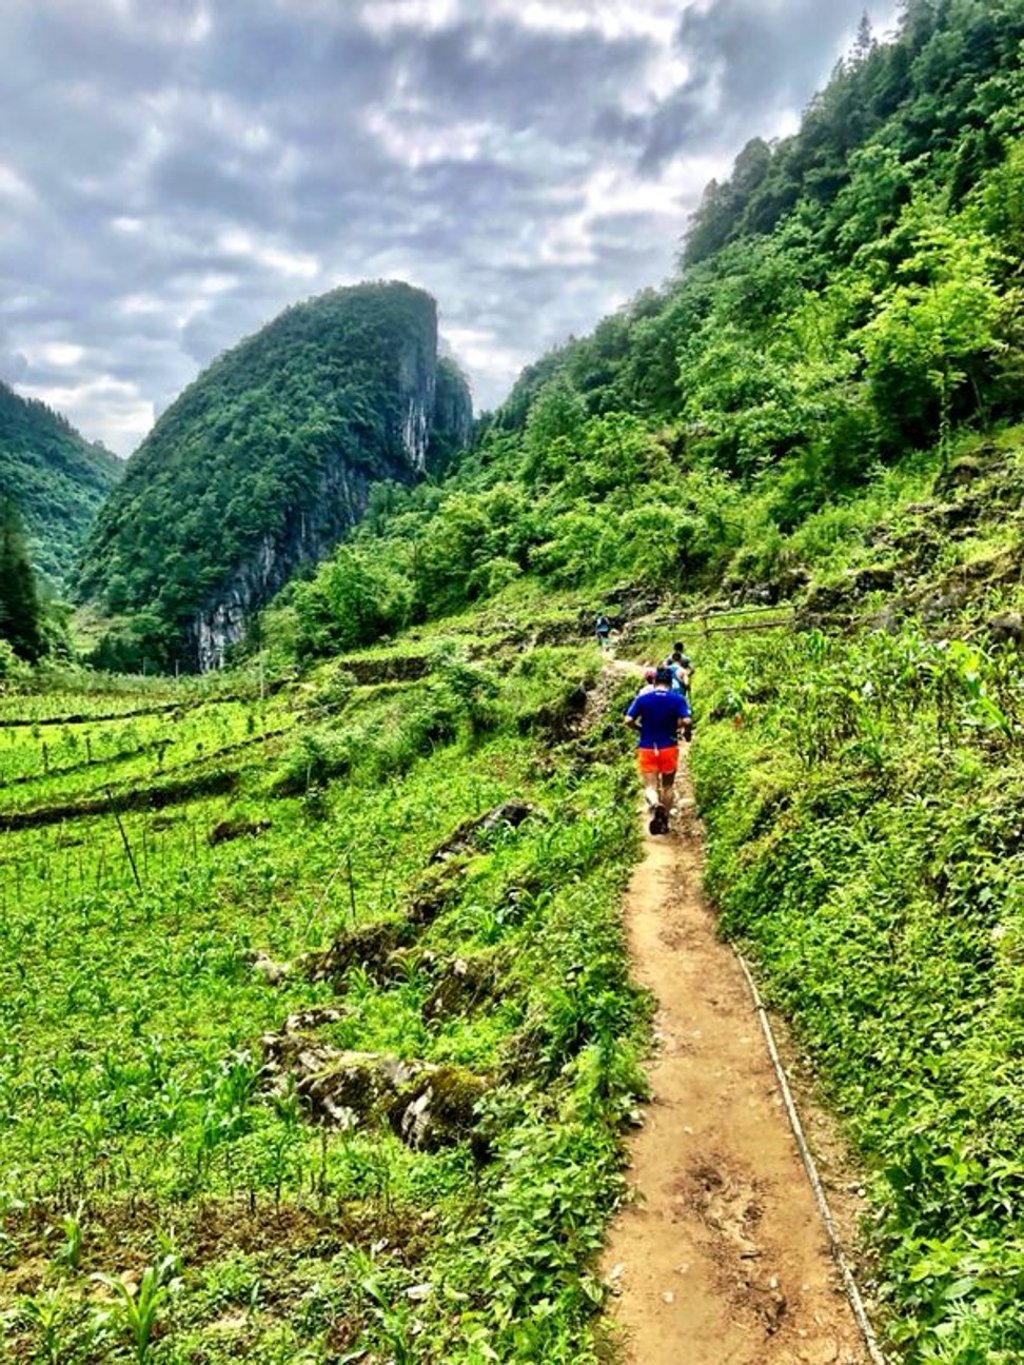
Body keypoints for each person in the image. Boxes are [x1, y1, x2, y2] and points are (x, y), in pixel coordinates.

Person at [624, 665, 692, 834]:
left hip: (647, 747)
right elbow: (687, 720)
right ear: (670, 682)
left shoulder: (643, 699)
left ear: (654, 681)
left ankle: (655, 804)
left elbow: (628, 720)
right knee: (668, 786)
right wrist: (684, 730)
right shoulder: (677, 699)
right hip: (668, 746)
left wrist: (640, 728)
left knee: (650, 787)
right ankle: (665, 820)